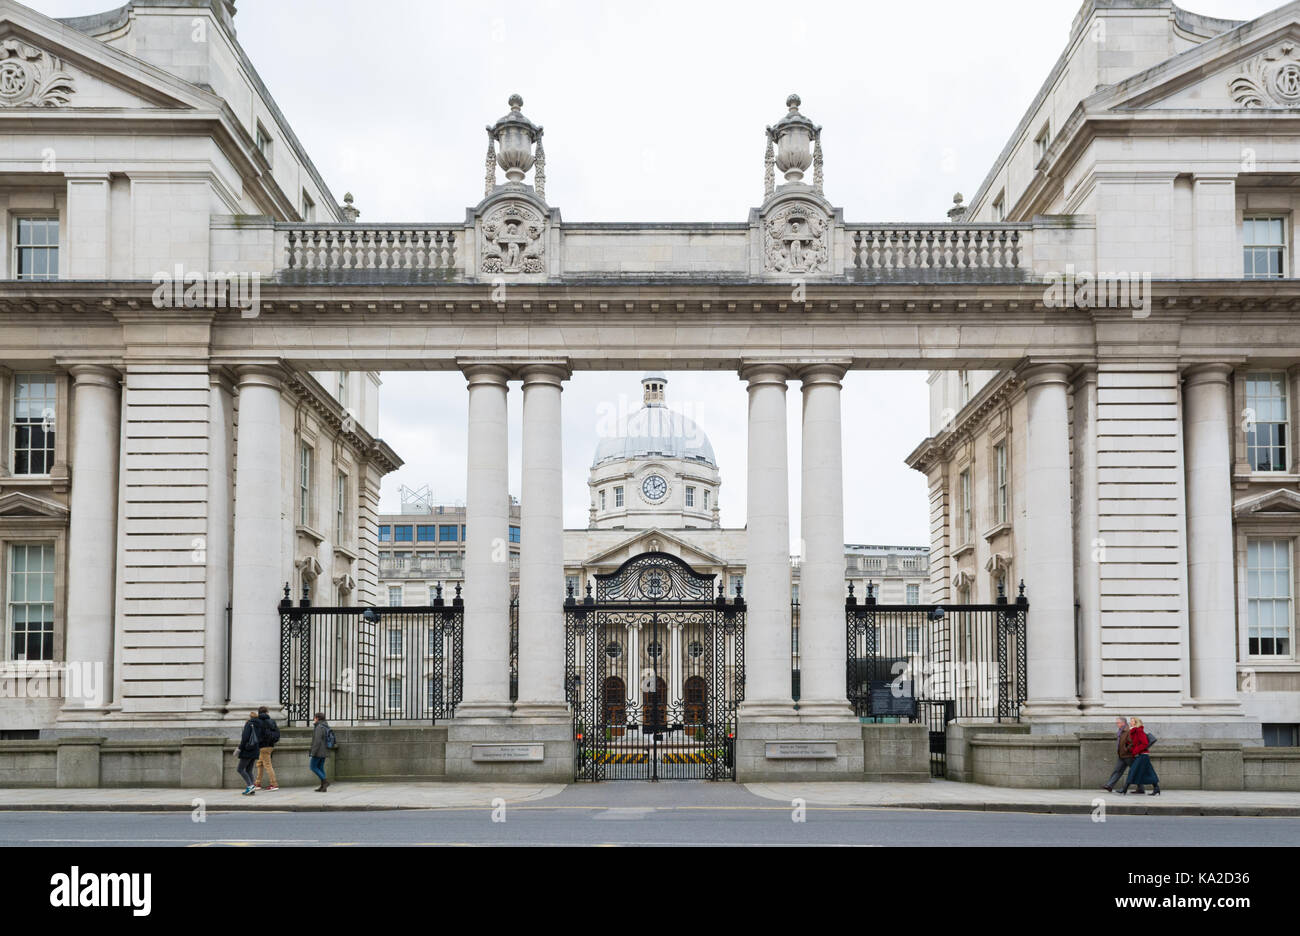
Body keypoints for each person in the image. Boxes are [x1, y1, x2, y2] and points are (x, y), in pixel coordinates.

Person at [1119, 716, 1160, 796]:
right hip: (1140, 755)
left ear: (1136, 722)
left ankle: (1124, 789)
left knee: (1133, 771)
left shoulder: (1139, 731)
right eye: (1130, 721)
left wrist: (1135, 751)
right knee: (1148, 772)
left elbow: (1144, 743)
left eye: (1132, 721)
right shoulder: (1132, 731)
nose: (1130, 722)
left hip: (1142, 755)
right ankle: (1156, 788)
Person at [1102, 716, 1133, 792]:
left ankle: (1141, 788)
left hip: (1128, 755)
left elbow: (1132, 743)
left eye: (1118, 723)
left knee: (1135, 771)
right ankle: (1109, 785)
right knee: (1117, 770)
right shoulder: (1121, 730)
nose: (1117, 724)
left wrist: (1126, 749)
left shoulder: (1128, 731)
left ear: (1123, 723)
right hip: (1121, 755)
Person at [236, 710, 262, 795]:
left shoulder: (249, 724)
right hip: (255, 749)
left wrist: (239, 748)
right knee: (249, 770)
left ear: (250, 717)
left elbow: (245, 738)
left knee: (240, 769)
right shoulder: (260, 725)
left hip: (247, 750)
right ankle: (252, 788)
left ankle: (250, 786)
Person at [254, 705, 280, 792]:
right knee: (260, 764)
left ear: (259, 713)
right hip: (270, 745)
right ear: (267, 712)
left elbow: (257, 734)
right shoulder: (272, 721)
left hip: (262, 746)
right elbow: (277, 733)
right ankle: (257, 783)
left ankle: (274, 784)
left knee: (267, 765)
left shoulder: (258, 721)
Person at [309, 712, 331, 793]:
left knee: (313, 767)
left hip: (318, 751)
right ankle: (323, 787)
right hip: (324, 750)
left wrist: (313, 752)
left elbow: (317, 741)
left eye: (314, 717)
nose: (314, 719)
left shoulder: (319, 727)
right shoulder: (325, 725)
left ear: (317, 718)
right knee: (320, 768)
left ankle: (325, 782)